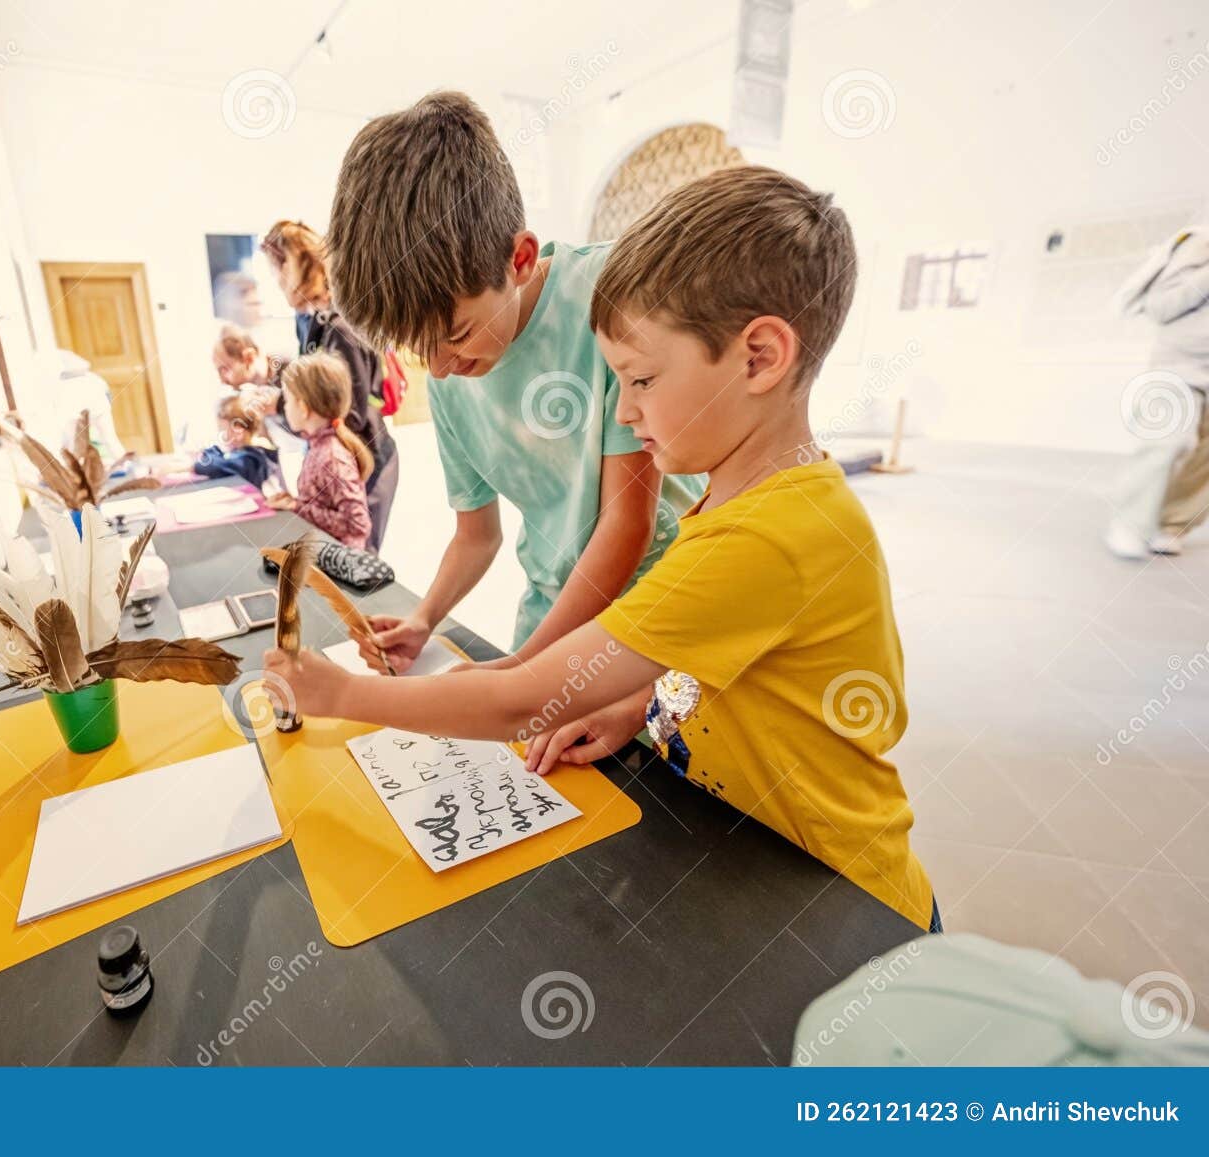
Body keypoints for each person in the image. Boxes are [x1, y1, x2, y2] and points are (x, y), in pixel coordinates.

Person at [266, 165, 938, 933]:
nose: (624, 409)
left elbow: (519, 701)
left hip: (846, 906)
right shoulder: (744, 496)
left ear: (759, 357)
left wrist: (342, 696)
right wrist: (635, 701)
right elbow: (728, 662)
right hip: (756, 867)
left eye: (642, 378)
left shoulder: (767, 536)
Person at [323, 91, 704, 673]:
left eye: (457, 333)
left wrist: (524, 670)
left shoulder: (608, 294)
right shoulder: (451, 376)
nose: (443, 368)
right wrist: (425, 619)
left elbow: (628, 523)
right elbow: (477, 535)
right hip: (553, 612)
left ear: (520, 260)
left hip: (651, 615)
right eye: (418, 350)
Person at [261, 220, 399, 552]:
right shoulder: (307, 320)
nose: (276, 282)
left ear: (291, 266)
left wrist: (281, 406)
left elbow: (345, 409)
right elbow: (312, 386)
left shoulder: (342, 326)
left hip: (364, 452)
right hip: (337, 449)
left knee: (360, 554)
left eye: (277, 271)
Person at [1106, 219, 1209, 558]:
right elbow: (1161, 306)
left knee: (1205, 459)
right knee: (1167, 440)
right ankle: (1130, 523)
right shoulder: (1198, 243)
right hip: (1182, 366)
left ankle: (1172, 525)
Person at [266, 352, 373, 550]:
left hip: (336, 569)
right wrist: (294, 503)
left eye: (287, 400)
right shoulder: (318, 447)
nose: (285, 407)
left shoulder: (332, 457)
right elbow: (322, 504)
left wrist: (298, 507)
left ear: (304, 408)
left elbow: (357, 524)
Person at [192, 394, 280, 489]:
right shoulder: (252, 453)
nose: (221, 435)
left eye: (222, 430)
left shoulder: (249, 459)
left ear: (238, 431)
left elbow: (217, 466)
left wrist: (194, 465)